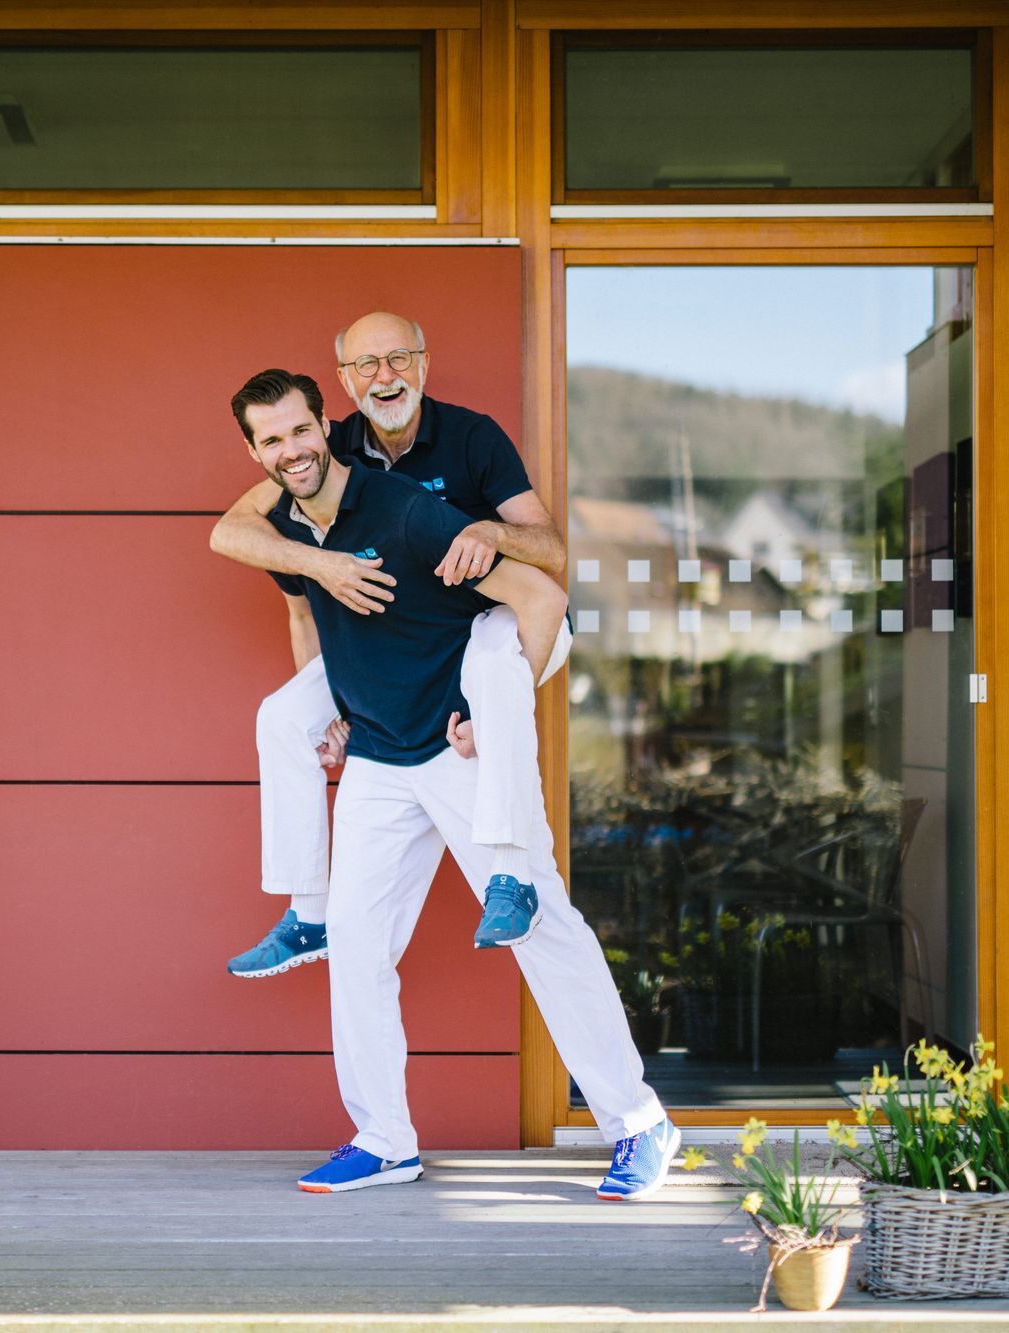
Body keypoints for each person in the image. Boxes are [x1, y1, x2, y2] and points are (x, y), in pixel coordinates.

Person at [225, 368, 678, 1200]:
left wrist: (492, 708)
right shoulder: (284, 529)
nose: (291, 450)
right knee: (357, 952)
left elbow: (538, 593)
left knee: (540, 926)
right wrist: (335, 709)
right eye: (271, 439)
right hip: (378, 764)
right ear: (252, 451)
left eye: (300, 430)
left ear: (327, 425)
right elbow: (294, 605)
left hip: (458, 752)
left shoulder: (401, 508)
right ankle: (383, 1138)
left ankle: (640, 1122)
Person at [212, 312, 565, 979]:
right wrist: (322, 569)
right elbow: (233, 529)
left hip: (497, 617)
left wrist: (491, 533)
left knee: (491, 666)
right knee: (283, 716)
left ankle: (511, 878)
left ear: (424, 362)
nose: (386, 376)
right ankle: (306, 913)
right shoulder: (325, 444)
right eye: (367, 365)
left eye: (399, 358)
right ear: (344, 381)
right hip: (392, 642)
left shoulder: (470, 436)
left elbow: (549, 554)